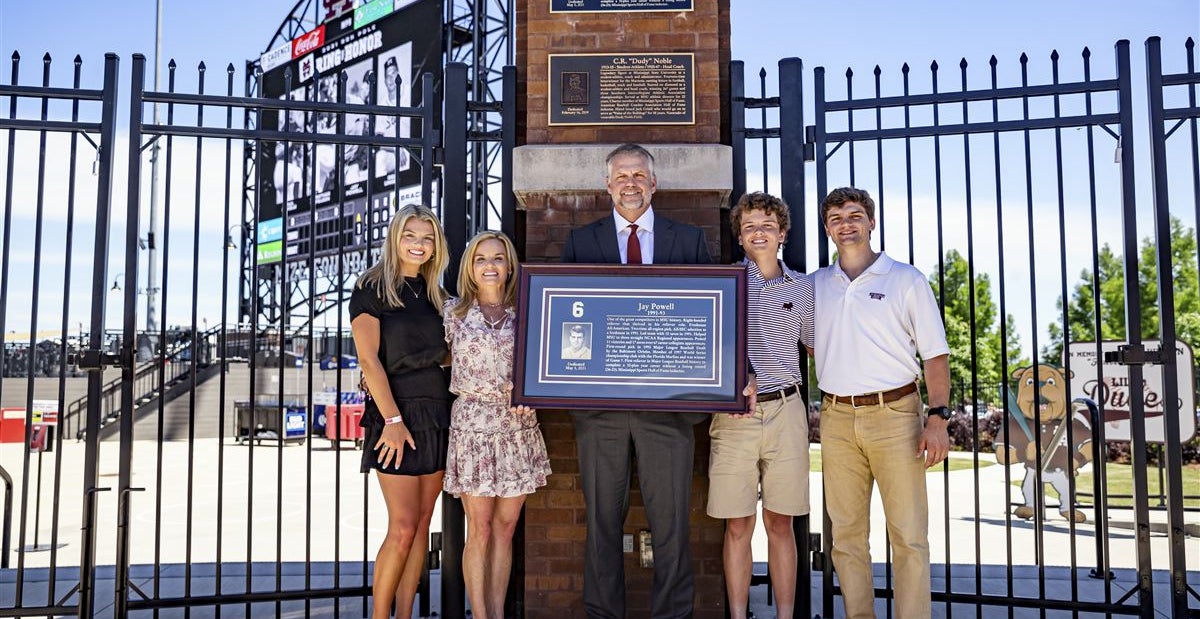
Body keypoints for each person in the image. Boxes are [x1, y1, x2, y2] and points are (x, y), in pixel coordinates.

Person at [561, 143, 712, 619]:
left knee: (672, 524)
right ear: (608, 185)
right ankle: (603, 613)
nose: (631, 183)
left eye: (639, 175)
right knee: (602, 524)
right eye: (622, 176)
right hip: (600, 410)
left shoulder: (688, 240)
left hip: (668, 407)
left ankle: (673, 615)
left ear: (654, 184)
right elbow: (565, 319)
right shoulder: (580, 242)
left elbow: (711, 319)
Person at [810, 187, 951, 619]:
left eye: (855, 215)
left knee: (908, 536)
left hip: (896, 417)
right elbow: (807, 343)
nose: (846, 224)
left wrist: (938, 419)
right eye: (836, 218)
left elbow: (935, 356)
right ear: (827, 228)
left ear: (871, 222)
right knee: (846, 537)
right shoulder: (815, 285)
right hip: (836, 417)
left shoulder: (906, 279)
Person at [708, 192, 813, 619]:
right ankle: (738, 614)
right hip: (736, 416)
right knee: (738, 524)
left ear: (782, 233)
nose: (758, 233)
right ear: (739, 236)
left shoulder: (804, 288)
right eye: (749, 226)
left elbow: (817, 346)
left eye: (767, 225)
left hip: (787, 409)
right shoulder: (726, 282)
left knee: (781, 522)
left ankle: (785, 615)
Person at [442, 230, 551, 619]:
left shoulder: (529, 312)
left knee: (506, 528)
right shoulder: (452, 314)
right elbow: (423, 355)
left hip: (517, 428)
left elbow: (549, 366)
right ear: (470, 268)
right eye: (481, 259)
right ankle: (480, 614)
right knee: (481, 528)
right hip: (473, 427)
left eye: (498, 258)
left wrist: (534, 393)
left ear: (509, 266)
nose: (490, 266)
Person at [350, 204, 452, 619]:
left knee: (423, 524)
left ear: (436, 246)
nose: (418, 245)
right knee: (403, 527)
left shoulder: (438, 296)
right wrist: (392, 421)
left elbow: (449, 356)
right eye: (410, 235)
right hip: (396, 415)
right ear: (395, 237)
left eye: (427, 238)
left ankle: (406, 614)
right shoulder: (372, 288)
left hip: (437, 415)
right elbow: (368, 360)